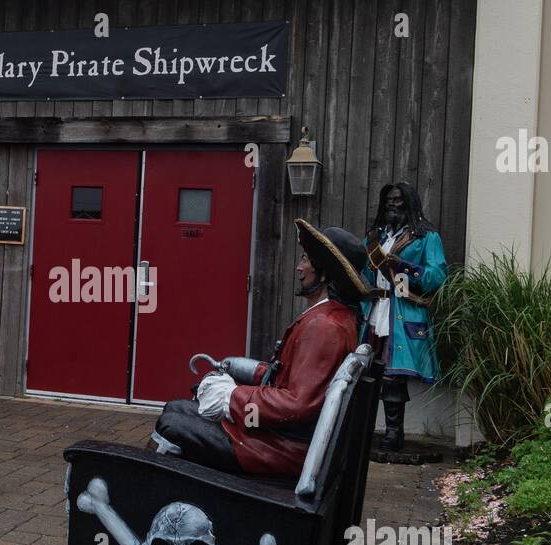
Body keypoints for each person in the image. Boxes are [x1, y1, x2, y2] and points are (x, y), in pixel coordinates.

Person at [151, 223, 371, 478]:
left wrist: (230, 397)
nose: (299, 268)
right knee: (175, 408)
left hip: (279, 447)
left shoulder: (324, 327)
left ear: (324, 273)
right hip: (283, 436)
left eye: (305, 260)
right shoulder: (333, 318)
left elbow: (297, 404)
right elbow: (292, 376)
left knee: (172, 423)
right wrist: (245, 370)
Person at [360, 183, 447, 452]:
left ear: (409, 202)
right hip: (375, 311)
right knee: (367, 372)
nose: (392, 205)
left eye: (397, 200)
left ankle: (393, 434)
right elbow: (363, 270)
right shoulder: (375, 237)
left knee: (393, 377)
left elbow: (437, 277)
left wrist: (404, 266)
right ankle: (363, 431)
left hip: (403, 310)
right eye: (388, 200)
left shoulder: (426, 237)